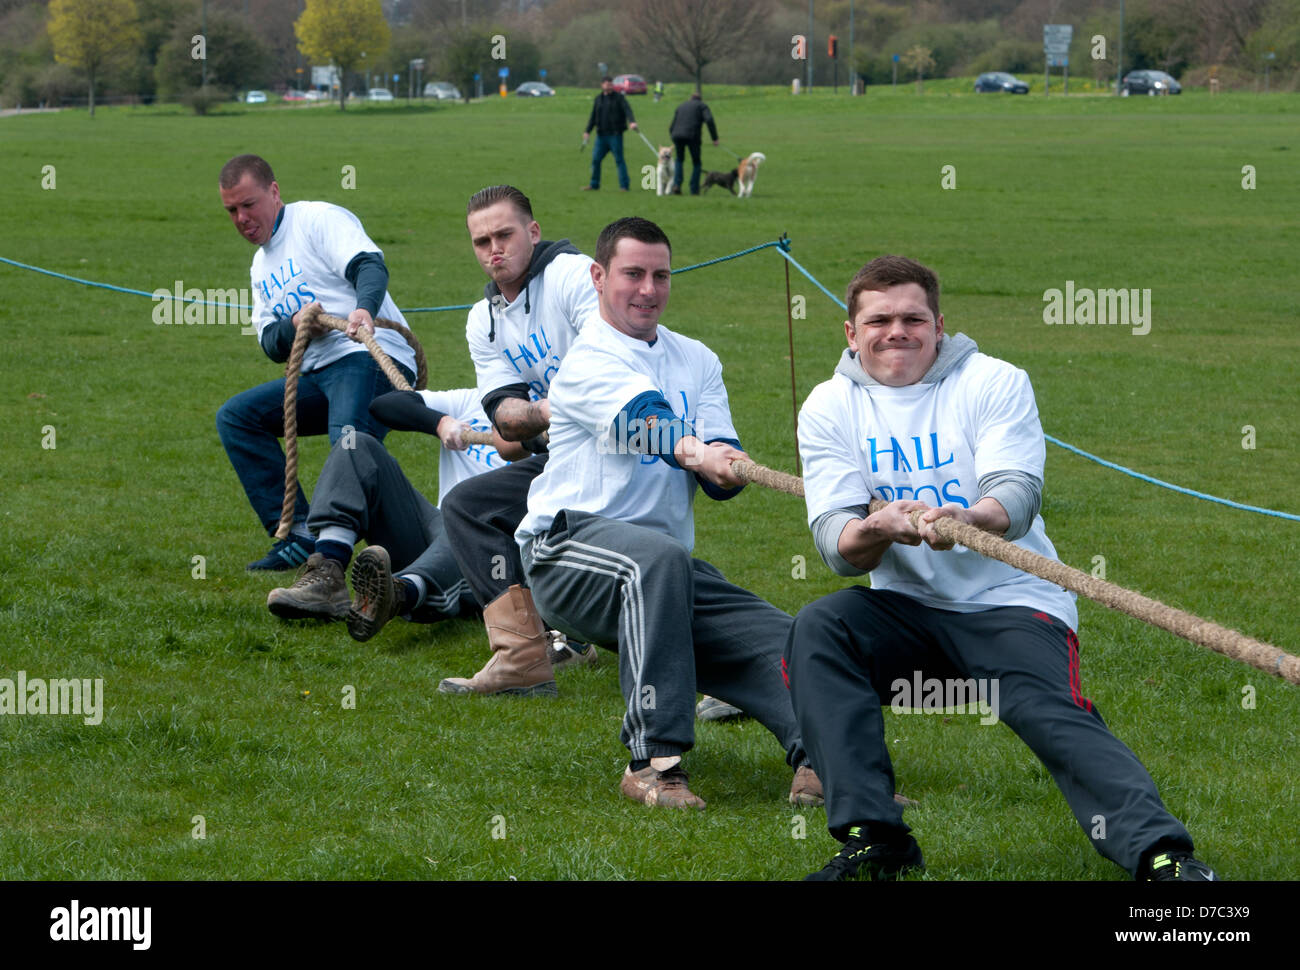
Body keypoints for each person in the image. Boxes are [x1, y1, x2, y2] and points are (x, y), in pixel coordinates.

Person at [787, 255, 1217, 881]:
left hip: (1012, 601)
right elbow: (837, 545)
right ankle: (874, 839)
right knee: (820, 629)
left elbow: (1014, 496)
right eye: (879, 320)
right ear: (852, 333)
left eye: (914, 318)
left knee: (1046, 712)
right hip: (909, 611)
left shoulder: (992, 381)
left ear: (939, 325)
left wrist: (965, 519)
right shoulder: (829, 406)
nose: (897, 332)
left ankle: (1162, 858)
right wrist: (880, 527)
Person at [517, 216, 822, 810]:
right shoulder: (585, 360)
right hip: (564, 550)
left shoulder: (698, 360)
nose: (648, 289)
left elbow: (719, 475)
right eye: (633, 274)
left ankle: (822, 760)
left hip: (663, 569)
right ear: (599, 277)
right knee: (655, 563)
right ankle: (653, 767)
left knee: (789, 637)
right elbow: (645, 423)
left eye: (661, 275)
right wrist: (694, 451)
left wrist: (727, 464)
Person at [436, 185, 601, 697]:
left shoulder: (573, 276)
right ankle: (522, 657)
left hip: (618, 448)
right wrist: (544, 415)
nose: (494, 250)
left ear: (533, 232)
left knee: (630, 566)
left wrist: (549, 413)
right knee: (468, 507)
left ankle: (726, 664)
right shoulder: (482, 320)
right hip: (560, 453)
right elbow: (505, 416)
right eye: (482, 241)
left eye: (504, 234)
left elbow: (609, 362)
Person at [216, 154, 416, 571]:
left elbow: (369, 265)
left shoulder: (317, 220)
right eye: (231, 210)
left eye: (248, 204)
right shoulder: (260, 265)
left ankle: (356, 553)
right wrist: (296, 326)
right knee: (237, 418)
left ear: (274, 192)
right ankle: (297, 533)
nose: (241, 218)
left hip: (369, 357)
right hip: (320, 375)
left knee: (347, 441)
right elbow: (271, 342)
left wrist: (362, 310)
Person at [263, 387, 528, 642]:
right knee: (354, 443)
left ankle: (404, 593)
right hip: (437, 532)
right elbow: (385, 405)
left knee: (465, 514)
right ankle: (327, 575)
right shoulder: (473, 400)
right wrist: (441, 422)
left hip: (497, 558)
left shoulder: (556, 417)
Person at [581, 77, 638, 192]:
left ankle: (624, 186)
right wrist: (587, 131)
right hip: (601, 136)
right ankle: (594, 184)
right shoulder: (598, 99)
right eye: (607, 84)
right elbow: (593, 117)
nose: (609, 86)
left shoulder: (619, 98)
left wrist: (632, 121)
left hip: (615, 135)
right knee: (596, 160)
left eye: (611, 84)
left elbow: (628, 110)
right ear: (602, 85)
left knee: (619, 160)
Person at [668, 91, 718, 196]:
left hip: (677, 136)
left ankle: (677, 185)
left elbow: (672, 125)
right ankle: (694, 189)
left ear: (691, 98)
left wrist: (673, 135)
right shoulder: (702, 106)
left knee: (679, 160)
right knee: (696, 163)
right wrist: (714, 138)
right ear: (700, 99)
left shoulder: (681, 105)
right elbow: (709, 119)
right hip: (692, 136)